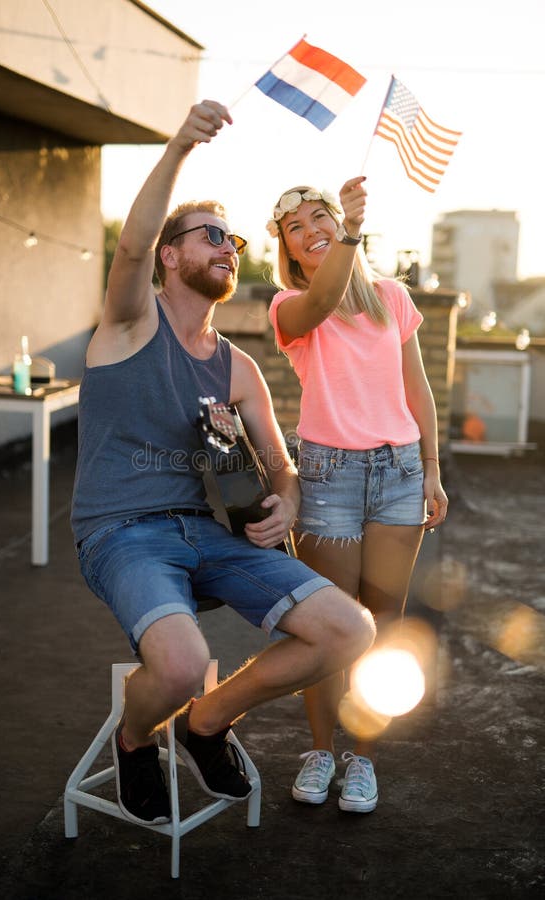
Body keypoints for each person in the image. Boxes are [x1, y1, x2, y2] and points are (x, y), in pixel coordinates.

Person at [70, 100, 376, 826]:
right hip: (120, 531)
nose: (227, 247)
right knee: (179, 664)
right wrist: (180, 144)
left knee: (351, 630)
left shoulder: (237, 366)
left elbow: (280, 464)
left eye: (232, 240)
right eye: (209, 235)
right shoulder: (128, 324)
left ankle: (205, 722)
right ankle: (135, 739)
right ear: (170, 256)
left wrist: (288, 503)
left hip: (205, 533)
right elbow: (130, 248)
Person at [266, 177, 448, 813]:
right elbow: (322, 301)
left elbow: (417, 389)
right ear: (288, 248)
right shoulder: (289, 306)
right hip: (328, 477)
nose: (311, 229)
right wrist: (348, 230)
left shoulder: (392, 298)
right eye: (297, 227)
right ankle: (320, 751)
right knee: (331, 626)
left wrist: (431, 469)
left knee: (385, 623)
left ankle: (363, 757)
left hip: (400, 472)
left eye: (320, 216)